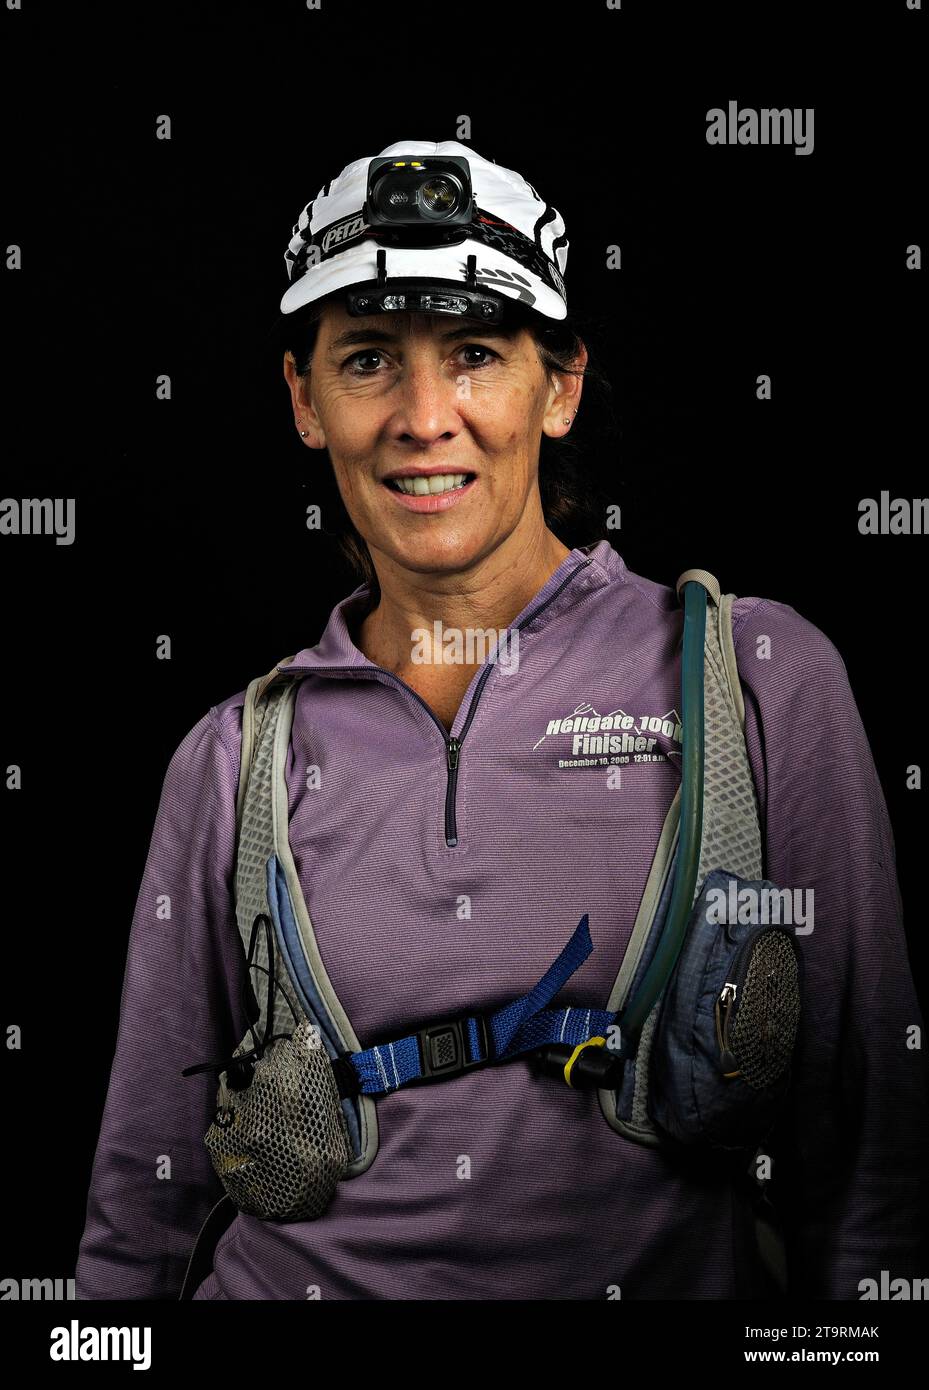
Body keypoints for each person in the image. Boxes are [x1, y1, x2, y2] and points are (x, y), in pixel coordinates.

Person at [74, 139, 928, 1301]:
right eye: (368, 359)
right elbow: (142, 1202)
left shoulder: (754, 682)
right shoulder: (234, 758)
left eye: (474, 354)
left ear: (559, 383)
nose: (425, 418)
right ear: (304, 400)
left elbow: (870, 1157)